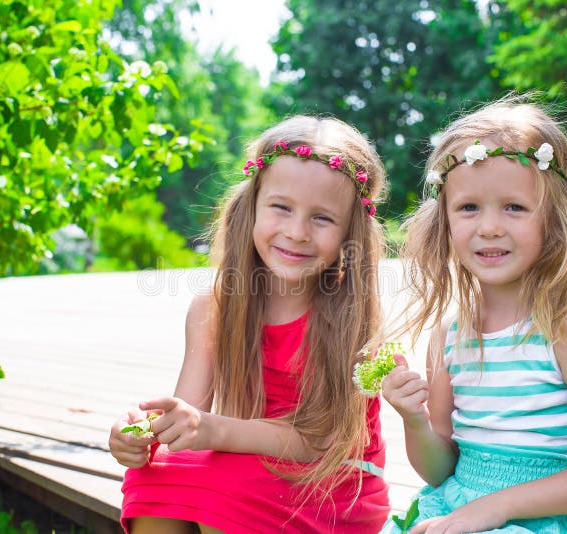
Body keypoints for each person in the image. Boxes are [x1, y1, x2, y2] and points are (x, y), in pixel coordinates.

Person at [109, 115, 391, 533]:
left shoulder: (348, 318)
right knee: (155, 474)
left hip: (334, 482)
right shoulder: (215, 307)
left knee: (228, 490)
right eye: (281, 207)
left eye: (322, 218)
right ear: (252, 207)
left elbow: (317, 442)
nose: (296, 232)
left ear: (351, 231)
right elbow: (188, 414)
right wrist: (140, 433)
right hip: (246, 461)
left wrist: (212, 430)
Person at [380, 97, 567, 534]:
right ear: (444, 220)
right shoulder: (450, 335)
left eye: (514, 207)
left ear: (553, 220)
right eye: (469, 208)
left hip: (550, 517)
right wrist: (415, 420)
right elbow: (439, 470)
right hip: (461, 508)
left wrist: (496, 508)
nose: (489, 227)